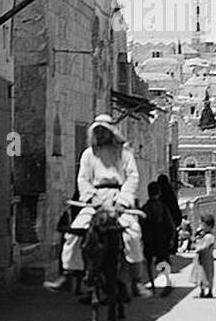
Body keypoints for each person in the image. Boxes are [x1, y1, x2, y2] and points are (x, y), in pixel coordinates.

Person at [44, 114, 145, 296]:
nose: (101, 135)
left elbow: (132, 178)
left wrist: (123, 201)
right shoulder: (89, 154)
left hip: (118, 199)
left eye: (104, 131)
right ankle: (69, 274)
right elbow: (83, 179)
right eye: (97, 131)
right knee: (74, 232)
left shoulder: (124, 154)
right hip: (95, 200)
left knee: (133, 234)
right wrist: (91, 198)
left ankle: (136, 279)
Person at [142, 181, 177, 295]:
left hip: (148, 239)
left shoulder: (145, 208)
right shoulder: (163, 207)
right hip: (161, 239)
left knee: (149, 262)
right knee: (163, 261)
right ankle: (167, 283)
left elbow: (141, 224)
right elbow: (170, 224)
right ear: (159, 193)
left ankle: (152, 284)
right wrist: (171, 238)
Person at [190, 214, 216, 298]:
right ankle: (202, 291)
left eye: (203, 225)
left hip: (206, 259)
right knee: (200, 275)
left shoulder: (209, 237)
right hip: (201, 259)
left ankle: (209, 292)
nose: (202, 227)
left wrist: (198, 248)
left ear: (209, 226)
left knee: (208, 274)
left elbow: (205, 246)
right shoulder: (203, 235)